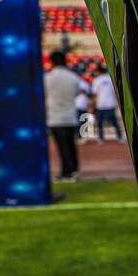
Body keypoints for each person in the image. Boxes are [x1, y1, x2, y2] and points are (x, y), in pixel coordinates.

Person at [44, 50, 83, 180]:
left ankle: (67, 172)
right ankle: (74, 169)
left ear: (52, 62)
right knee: (71, 144)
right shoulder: (73, 76)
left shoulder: (48, 78)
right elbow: (77, 93)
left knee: (62, 146)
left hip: (55, 116)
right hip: (70, 115)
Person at [92, 65, 123, 141]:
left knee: (100, 122)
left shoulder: (96, 80)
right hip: (110, 103)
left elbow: (95, 94)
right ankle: (120, 137)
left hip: (101, 104)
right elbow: (115, 92)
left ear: (99, 71)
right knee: (114, 122)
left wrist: (93, 105)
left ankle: (101, 138)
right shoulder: (110, 79)